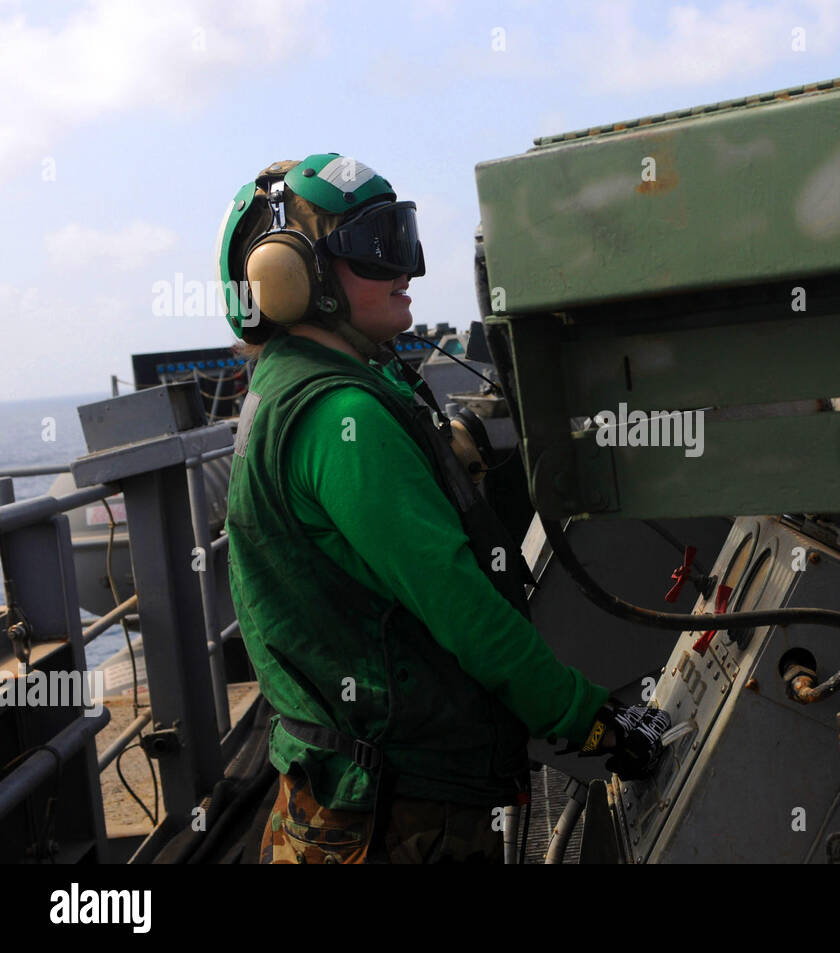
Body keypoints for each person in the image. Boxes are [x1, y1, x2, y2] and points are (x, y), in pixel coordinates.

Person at [216, 155, 671, 863]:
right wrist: (596, 721)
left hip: (344, 797)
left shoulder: (288, 390)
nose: (408, 269)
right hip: (399, 818)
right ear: (292, 277)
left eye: (404, 238)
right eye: (377, 248)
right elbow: (461, 606)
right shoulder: (344, 418)